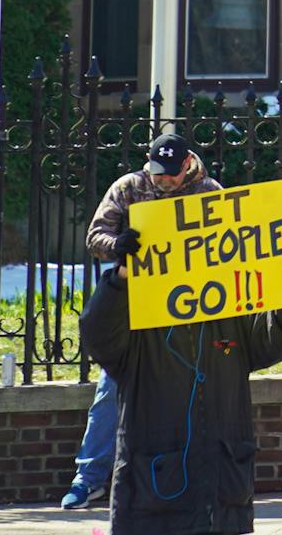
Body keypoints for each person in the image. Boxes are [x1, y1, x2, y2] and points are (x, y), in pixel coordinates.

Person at [79, 211, 282, 535]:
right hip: (153, 502)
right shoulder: (139, 325)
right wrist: (120, 279)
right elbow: (97, 334)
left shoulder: (230, 320)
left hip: (223, 498)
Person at [62, 132, 224, 511]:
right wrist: (117, 245)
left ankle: (188, 478)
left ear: (187, 165)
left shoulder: (209, 190)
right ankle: (89, 478)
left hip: (187, 305)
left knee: (191, 392)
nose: (163, 180)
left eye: (170, 173)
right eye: (157, 171)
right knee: (110, 391)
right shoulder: (129, 186)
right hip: (134, 304)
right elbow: (95, 236)